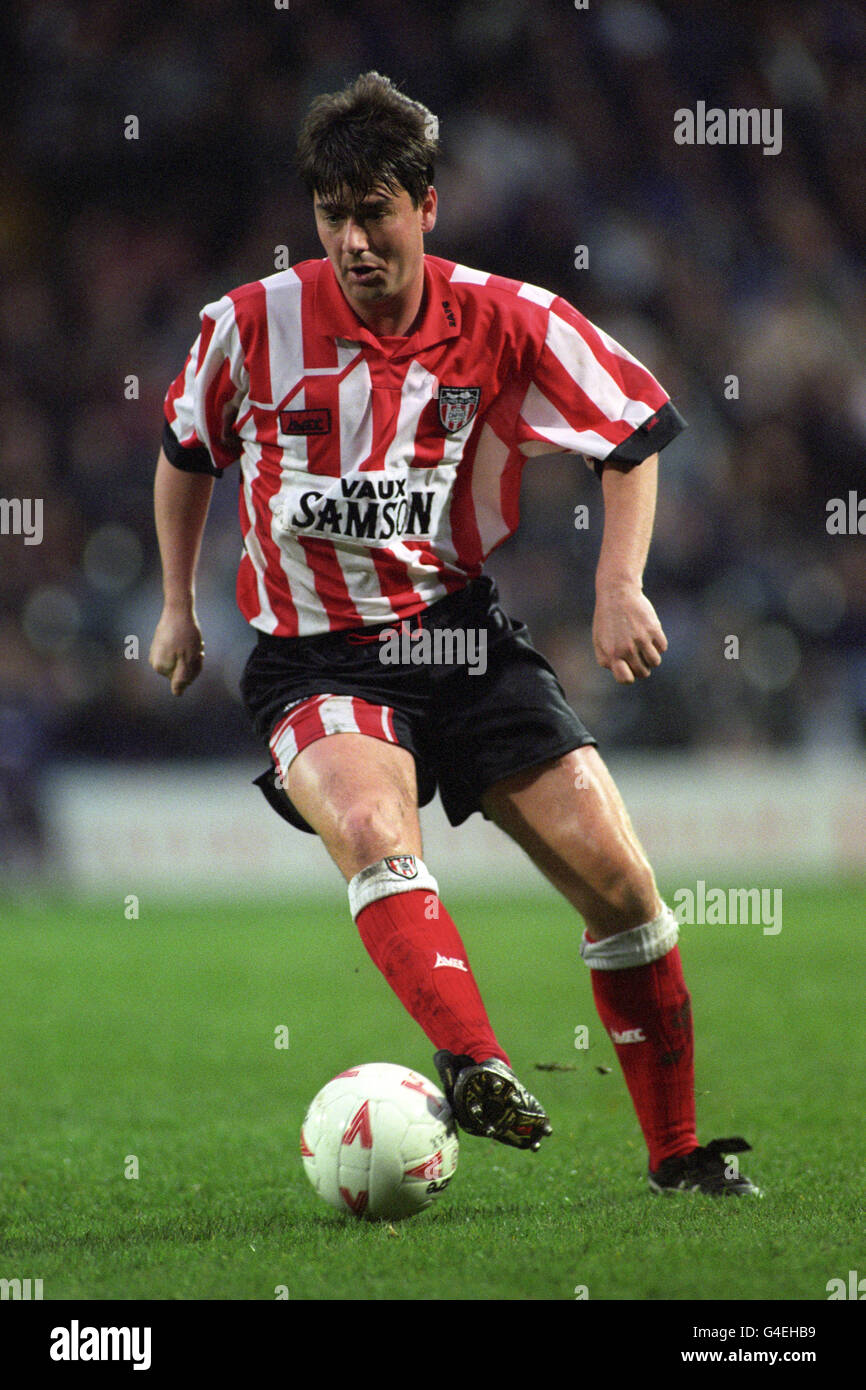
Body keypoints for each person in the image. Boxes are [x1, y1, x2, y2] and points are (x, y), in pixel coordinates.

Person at [150, 71, 759, 1196]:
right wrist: (180, 603)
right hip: (313, 655)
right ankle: (472, 1058)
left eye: (373, 212)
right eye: (331, 216)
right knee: (378, 828)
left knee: (623, 890)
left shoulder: (508, 317)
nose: (350, 240)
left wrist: (617, 586)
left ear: (425, 206)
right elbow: (188, 455)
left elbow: (632, 430)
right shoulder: (247, 325)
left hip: (455, 636)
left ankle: (677, 1157)